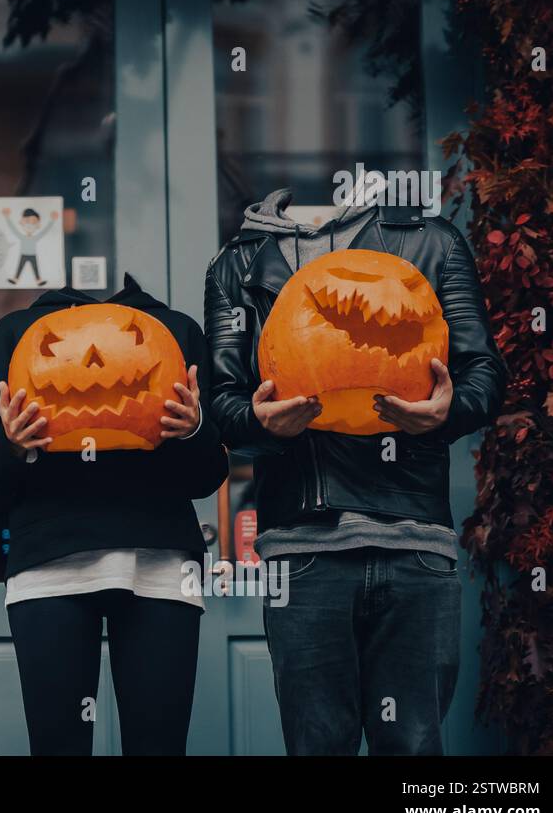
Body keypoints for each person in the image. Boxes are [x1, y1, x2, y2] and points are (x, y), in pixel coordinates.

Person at [204, 189, 505, 755]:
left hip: (414, 539)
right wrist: (263, 424)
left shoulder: (431, 243)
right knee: (318, 746)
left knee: (414, 750)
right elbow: (221, 405)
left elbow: (482, 371)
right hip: (302, 548)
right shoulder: (237, 266)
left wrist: (447, 411)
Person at [0, 274, 227, 755]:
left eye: (129, 342)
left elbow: (206, 477)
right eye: (60, 348)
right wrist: (11, 447)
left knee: (159, 745)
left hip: (162, 565)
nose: (94, 361)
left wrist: (194, 431)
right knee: (58, 744)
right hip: (48, 564)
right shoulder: (19, 333)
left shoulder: (177, 331)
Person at [2, 206, 58, 286]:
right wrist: (7, 217)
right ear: (21, 222)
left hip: (32, 255)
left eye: (33, 222)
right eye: (27, 221)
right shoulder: (22, 237)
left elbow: (45, 231)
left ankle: (38, 280)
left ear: (38, 225)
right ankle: (15, 279)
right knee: (19, 267)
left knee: (35, 268)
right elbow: (13, 229)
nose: (30, 225)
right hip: (23, 255)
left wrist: (52, 220)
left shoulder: (35, 238)